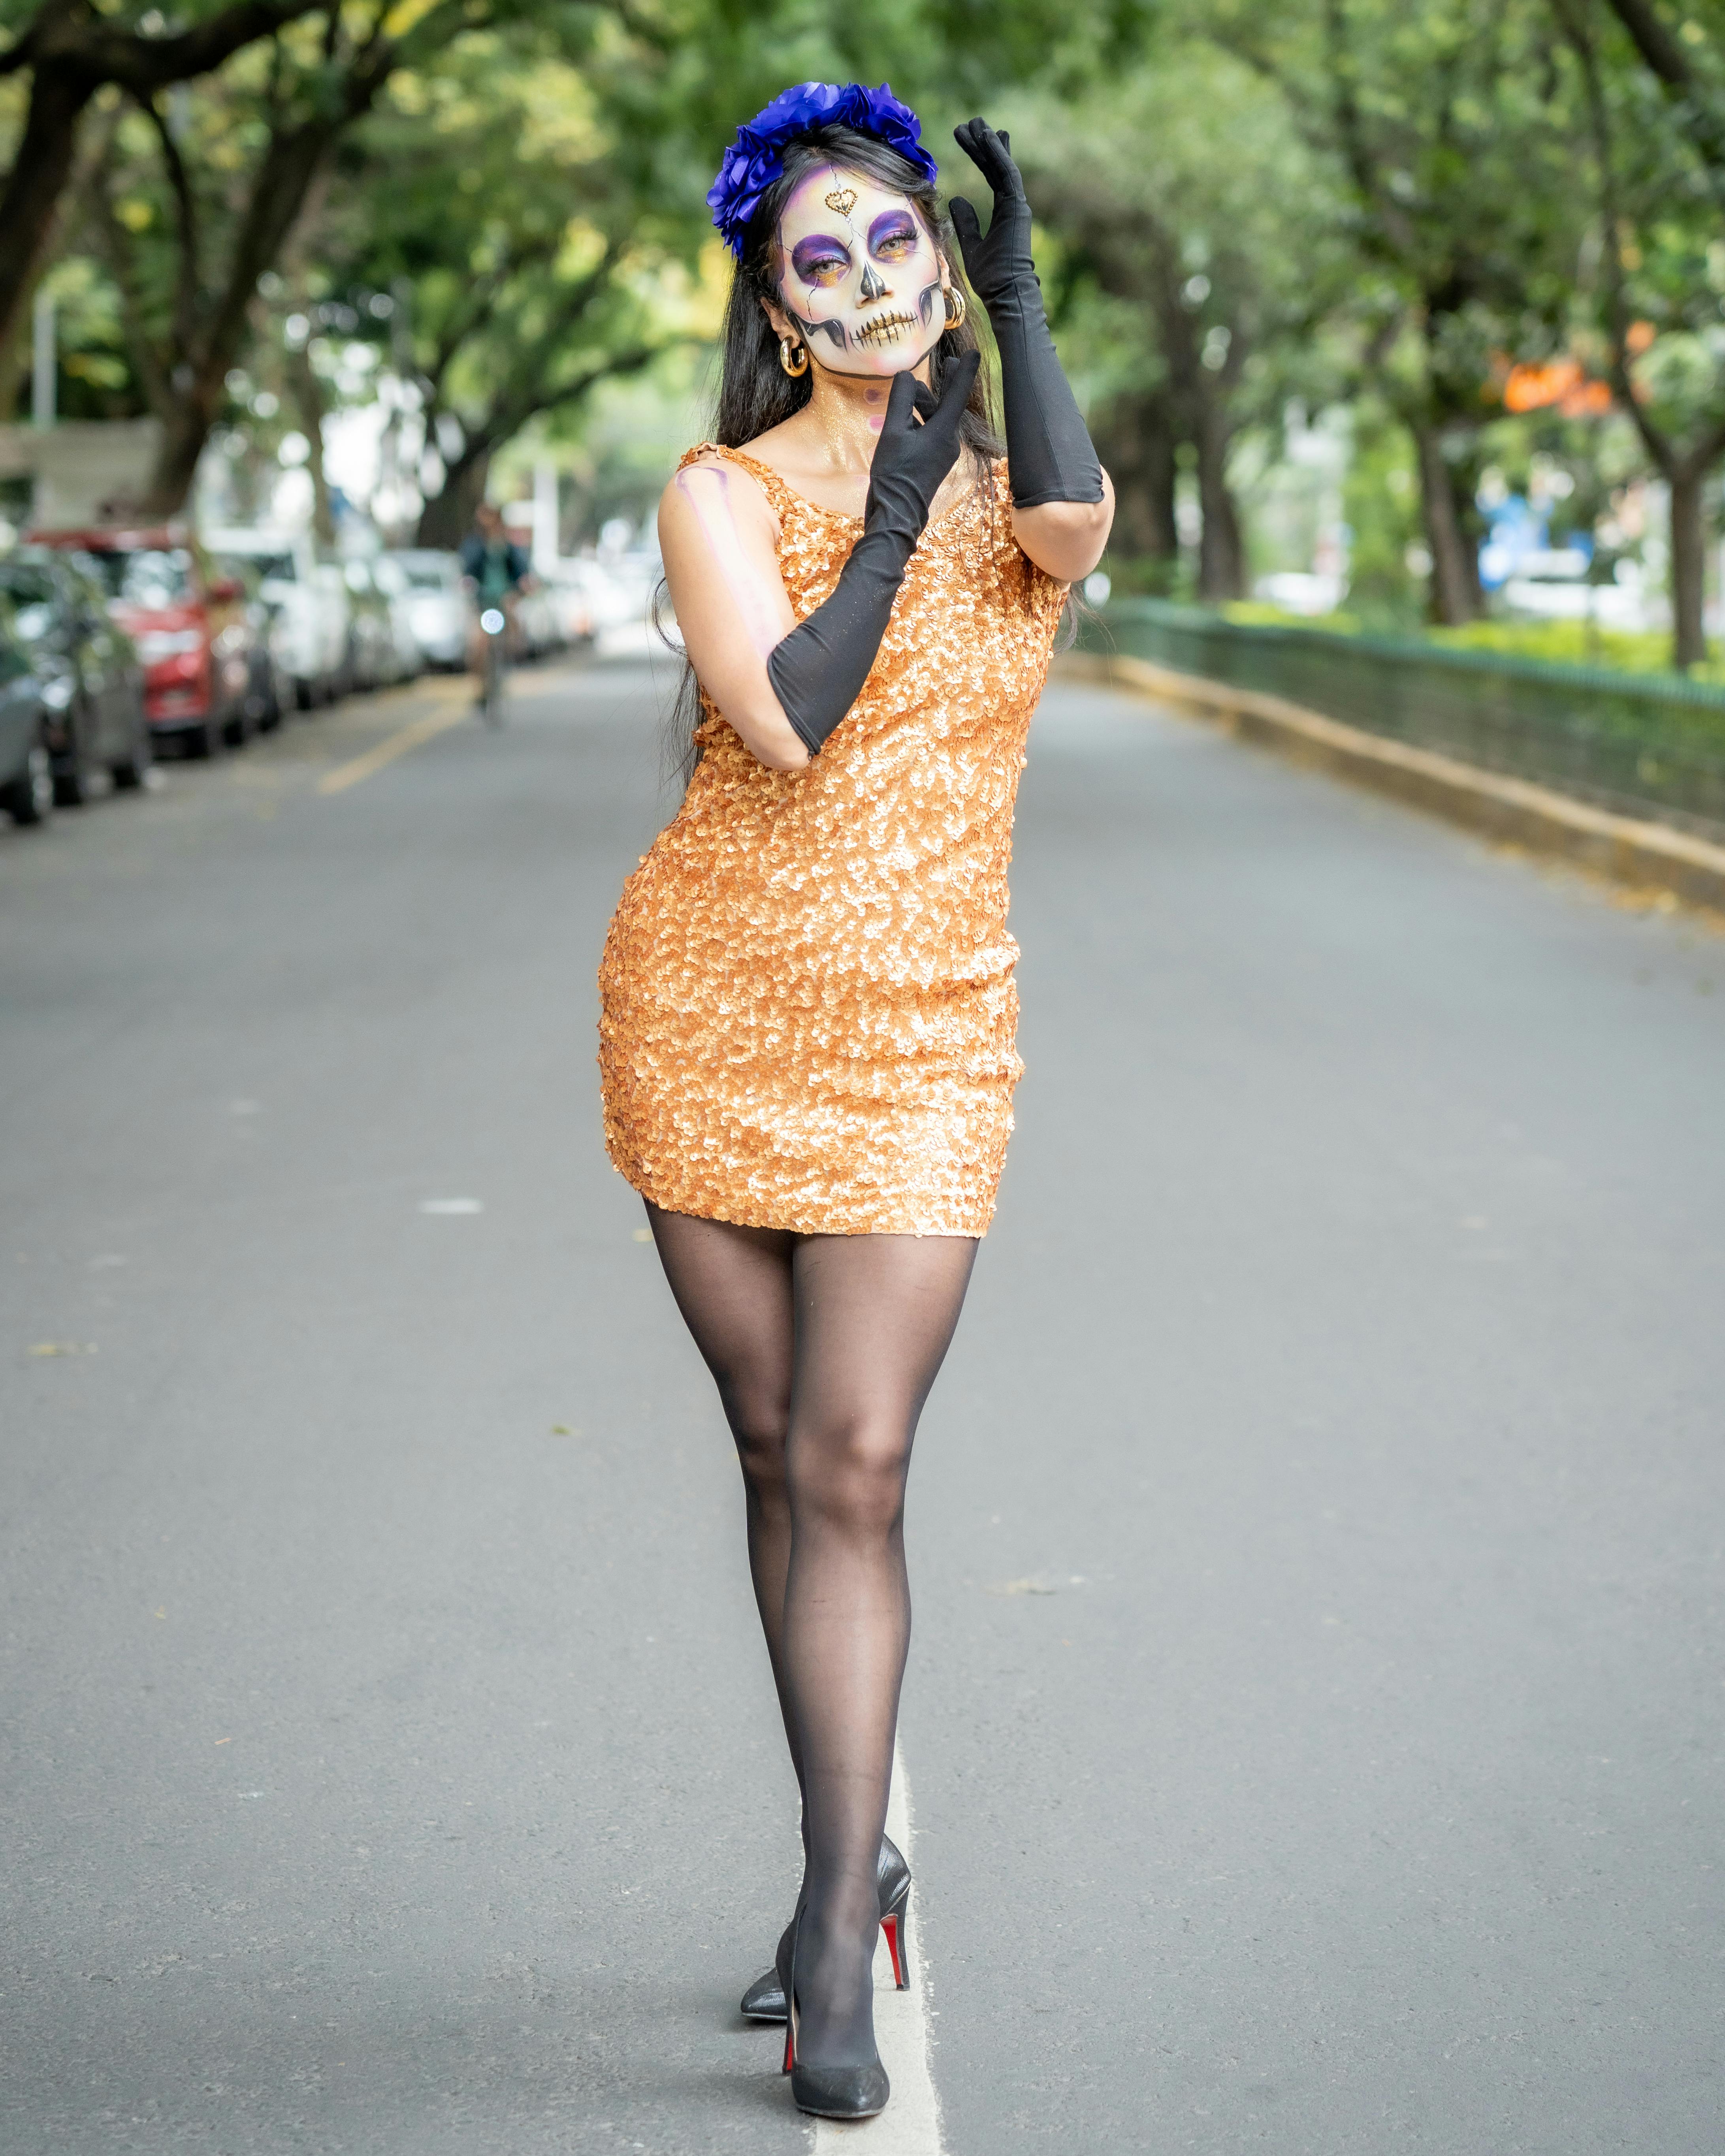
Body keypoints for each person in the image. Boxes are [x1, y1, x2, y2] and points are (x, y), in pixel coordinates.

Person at [597, 83, 1113, 2122]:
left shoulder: (1016, 480)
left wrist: (1015, 295)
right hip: (710, 1003)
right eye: (825, 261)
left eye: (895, 246)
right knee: (767, 1443)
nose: (869, 283)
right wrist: (888, 498)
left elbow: (1069, 527)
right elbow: (784, 724)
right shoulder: (715, 494)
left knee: (855, 1455)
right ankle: (850, 1834)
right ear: (781, 306)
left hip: (923, 1031)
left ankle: (830, 1917)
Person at [458, 503, 529, 692]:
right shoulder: (474, 545)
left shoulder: (508, 546)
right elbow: (467, 571)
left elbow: (521, 570)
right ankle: (480, 685)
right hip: (483, 602)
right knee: (479, 643)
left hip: (504, 600)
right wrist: (468, 584)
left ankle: (511, 658)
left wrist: (522, 586)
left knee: (514, 626)